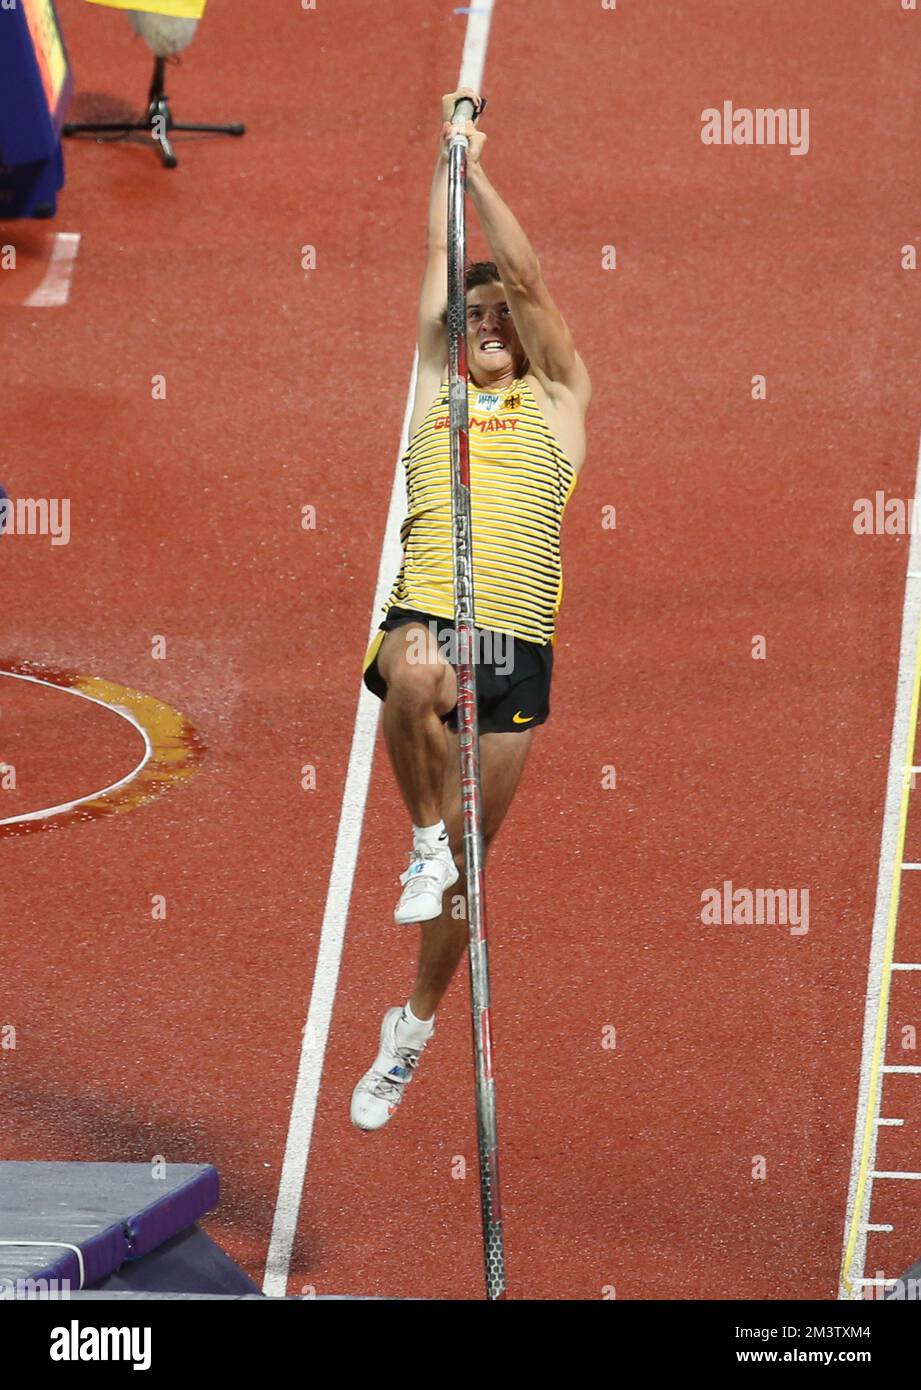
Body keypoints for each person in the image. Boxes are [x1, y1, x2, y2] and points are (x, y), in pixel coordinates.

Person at [351, 87, 591, 1131]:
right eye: (473, 317)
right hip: (431, 611)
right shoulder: (431, 386)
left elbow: (525, 278)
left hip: (518, 644)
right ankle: (419, 836)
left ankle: (410, 1026)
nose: (487, 324)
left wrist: (483, 173)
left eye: (502, 320)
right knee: (414, 670)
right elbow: (438, 281)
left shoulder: (558, 402)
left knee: (470, 882)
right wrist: (444, 170)